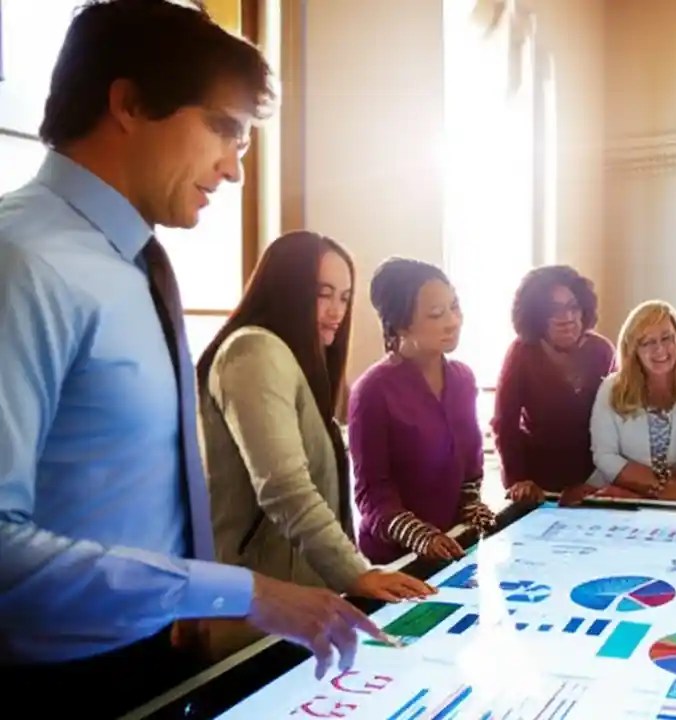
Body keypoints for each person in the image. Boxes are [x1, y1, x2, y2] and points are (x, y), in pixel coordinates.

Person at [0, 1, 384, 713]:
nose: (235, 170)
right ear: (130, 102)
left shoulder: (136, 266)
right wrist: (243, 590)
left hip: (156, 659)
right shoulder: (22, 261)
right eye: (225, 130)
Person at [196, 232, 433, 657]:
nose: (337, 311)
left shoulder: (293, 359)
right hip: (256, 612)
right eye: (324, 294)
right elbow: (284, 486)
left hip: (296, 605)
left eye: (344, 297)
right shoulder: (254, 350)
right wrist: (355, 572)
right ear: (285, 288)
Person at [348, 258, 495, 566]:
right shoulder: (373, 390)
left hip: (455, 544)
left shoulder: (463, 378)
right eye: (436, 314)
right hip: (396, 560)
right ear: (402, 324)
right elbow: (372, 493)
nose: (453, 321)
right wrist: (419, 536)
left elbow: (470, 466)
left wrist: (472, 507)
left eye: (455, 307)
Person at [492, 265, 617, 506]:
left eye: (572, 307)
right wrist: (517, 481)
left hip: (594, 482)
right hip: (538, 487)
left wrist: (599, 482)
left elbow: (617, 425)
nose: (567, 318)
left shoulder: (602, 351)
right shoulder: (521, 353)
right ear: (537, 317)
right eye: (554, 310)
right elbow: (504, 424)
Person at [589, 300, 676, 503]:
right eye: (647, 342)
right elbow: (605, 455)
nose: (660, 350)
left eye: (666, 338)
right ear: (633, 349)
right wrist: (654, 491)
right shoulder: (611, 388)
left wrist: (659, 491)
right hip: (618, 494)